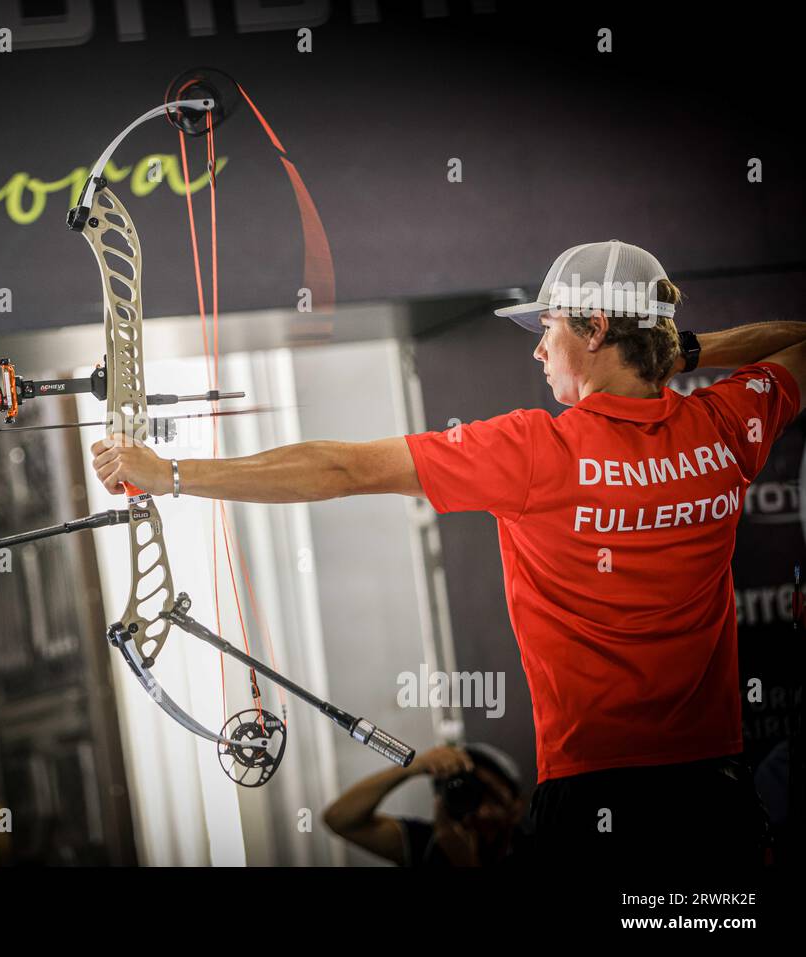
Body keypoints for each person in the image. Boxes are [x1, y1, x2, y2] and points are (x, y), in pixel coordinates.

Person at [90, 240, 805, 867]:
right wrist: (675, 353)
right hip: (715, 799)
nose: (536, 347)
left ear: (593, 328)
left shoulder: (535, 450)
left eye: (548, 327)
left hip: (595, 800)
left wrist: (172, 474)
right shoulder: (725, 424)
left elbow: (343, 469)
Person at [323, 743, 530, 867]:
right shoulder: (427, 844)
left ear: (516, 806)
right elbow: (339, 819)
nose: (481, 810)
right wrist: (411, 767)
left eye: (492, 797)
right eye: (467, 795)